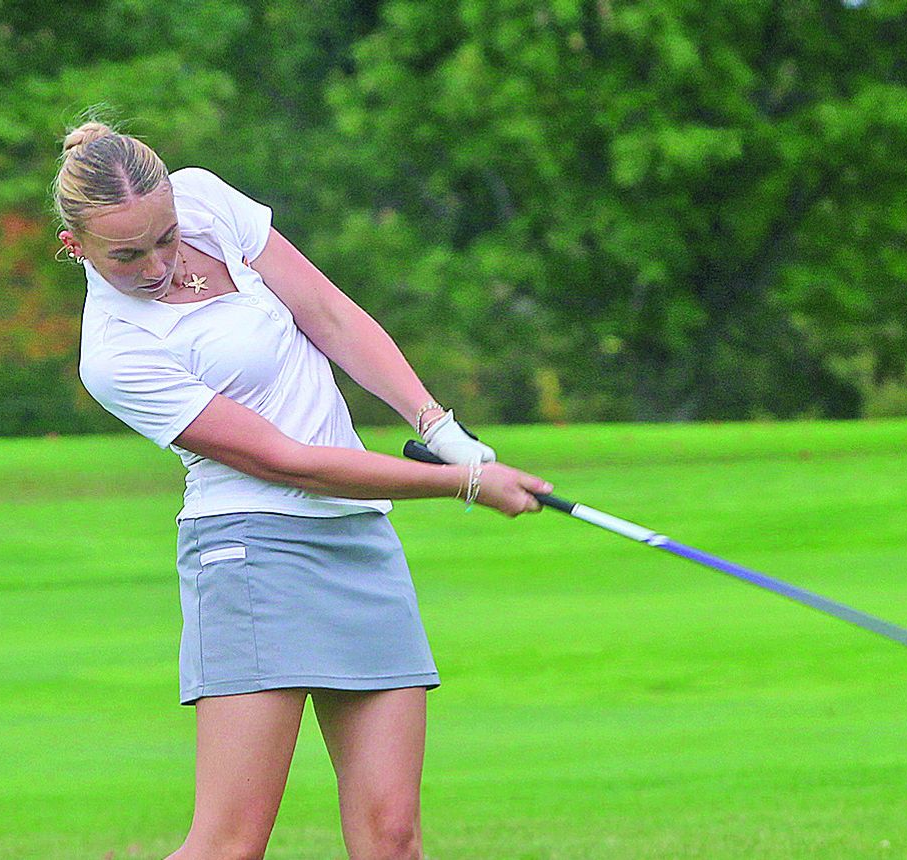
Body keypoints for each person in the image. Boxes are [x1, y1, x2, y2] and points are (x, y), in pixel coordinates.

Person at [53, 119, 552, 859]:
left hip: (356, 538)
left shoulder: (205, 198)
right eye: (127, 255)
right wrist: (464, 482)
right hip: (253, 556)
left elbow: (330, 316)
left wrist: (443, 431)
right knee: (230, 845)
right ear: (76, 248)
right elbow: (291, 461)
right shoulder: (117, 353)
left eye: (166, 237)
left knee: (393, 839)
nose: (158, 264)